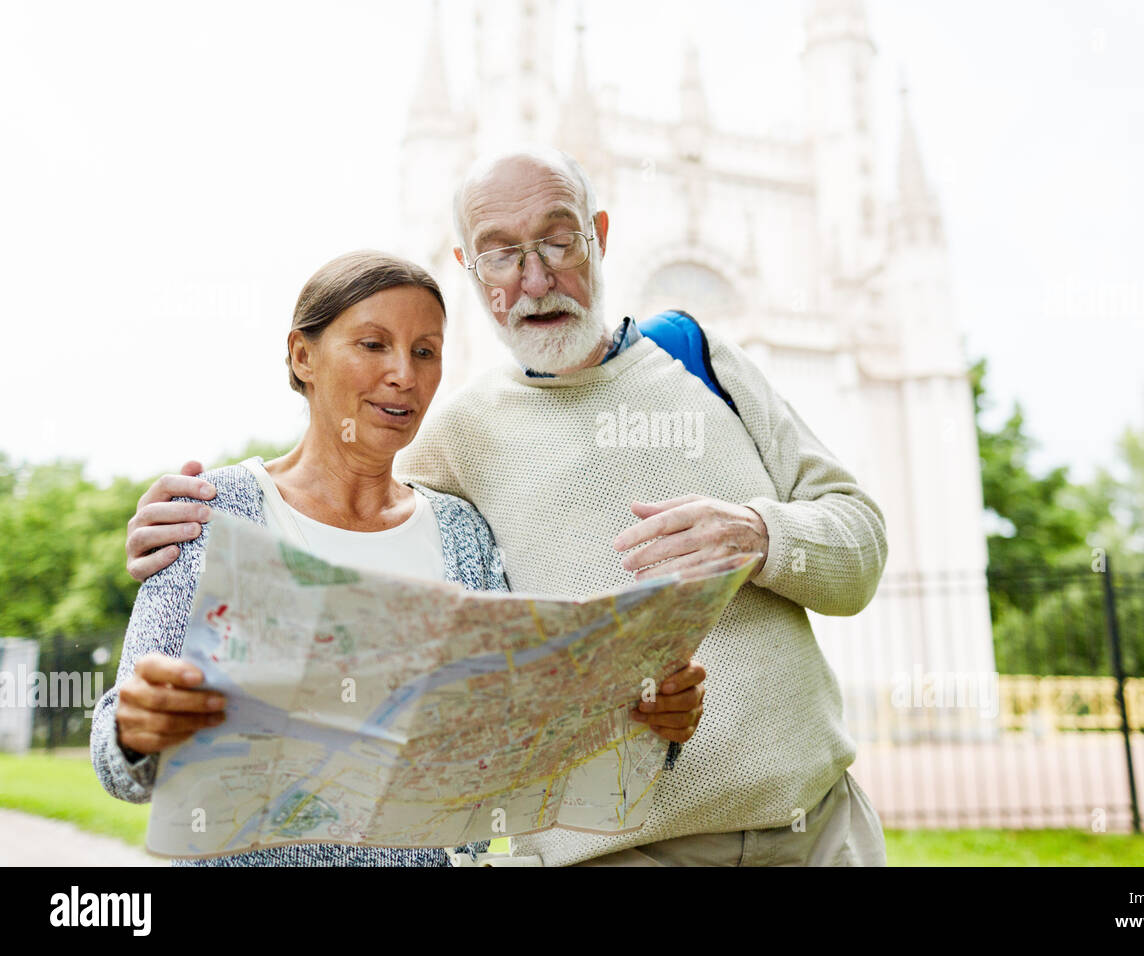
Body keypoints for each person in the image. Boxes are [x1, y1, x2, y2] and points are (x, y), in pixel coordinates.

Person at [127, 146, 890, 867]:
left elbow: (859, 542)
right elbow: (334, 517)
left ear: (597, 238)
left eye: (558, 242)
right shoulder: (456, 434)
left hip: (820, 828)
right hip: (615, 854)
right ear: (469, 268)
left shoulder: (703, 358)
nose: (534, 279)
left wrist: (762, 533)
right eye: (501, 253)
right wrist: (180, 526)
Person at [95, 249, 706, 867]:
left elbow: (518, 741)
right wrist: (135, 729)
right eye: (372, 344)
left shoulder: (462, 534)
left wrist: (643, 718)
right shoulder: (206, 513)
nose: (403, 375)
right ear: (303, 356)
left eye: (424, 351)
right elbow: (116, 756)